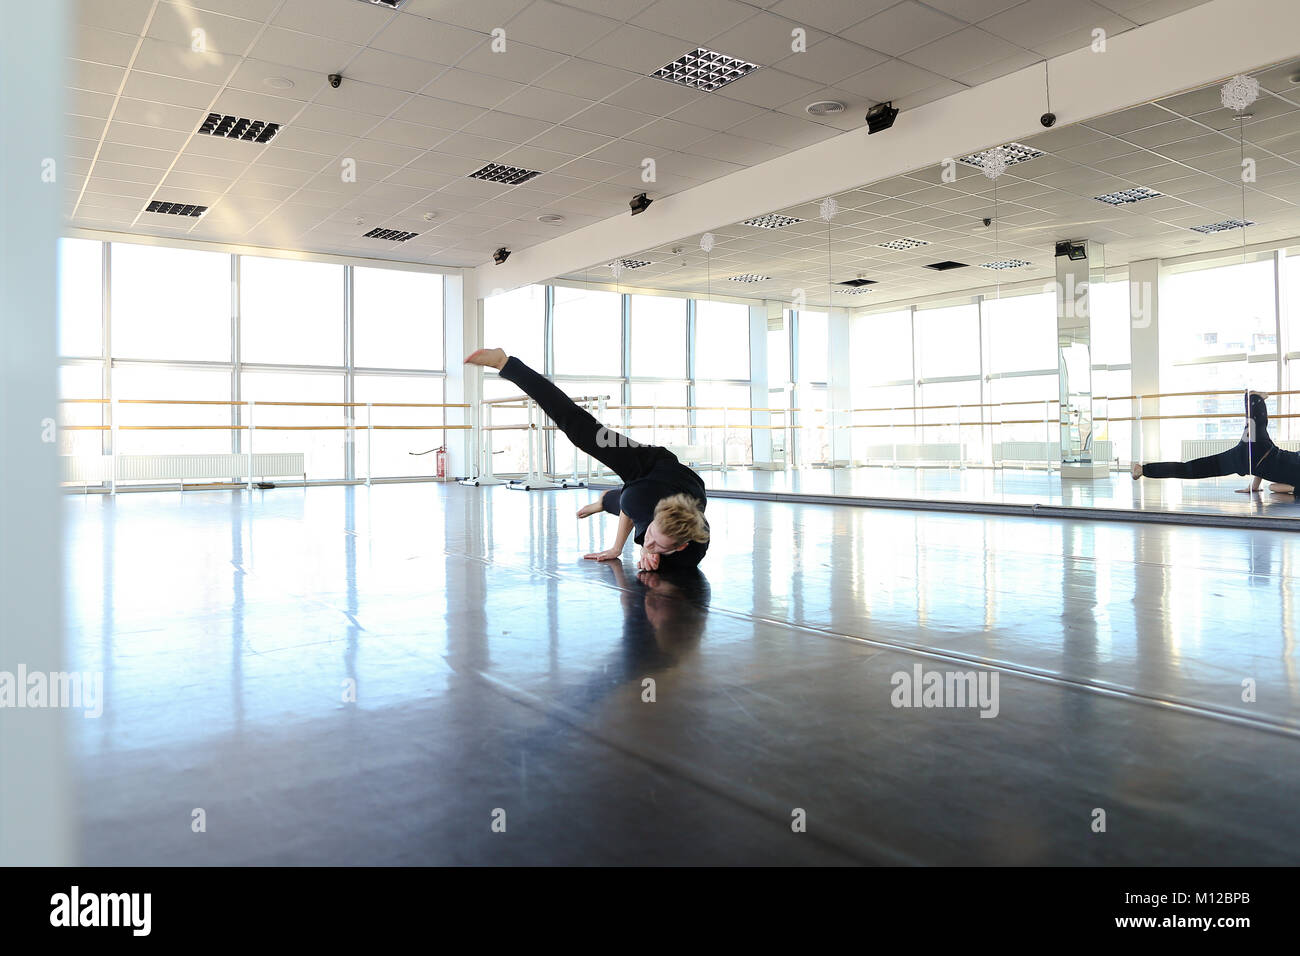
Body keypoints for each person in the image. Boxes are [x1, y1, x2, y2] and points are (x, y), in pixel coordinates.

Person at [465, 347, 710, 571]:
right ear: (654, 518)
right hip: (649, 462)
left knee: (629, 506)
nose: (650, 541)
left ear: (680, 547)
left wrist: (649, 549)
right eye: (651, 535)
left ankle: (604, 501)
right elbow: (632, 507)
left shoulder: (695, 545)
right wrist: (627, 548)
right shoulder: (640, 500)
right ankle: (506, 363)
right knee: (582, 432)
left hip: (662, 491)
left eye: (658, 545)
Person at [1132, 390, 1300, 494]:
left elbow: (1272, 468)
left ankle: (1254, 399)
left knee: (1257, 423)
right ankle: (1143, 470)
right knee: (1191, 470)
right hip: (1246, 461)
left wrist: (1255, 486)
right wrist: (1292, 488)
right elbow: (1275, 487)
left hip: (1257, 453)